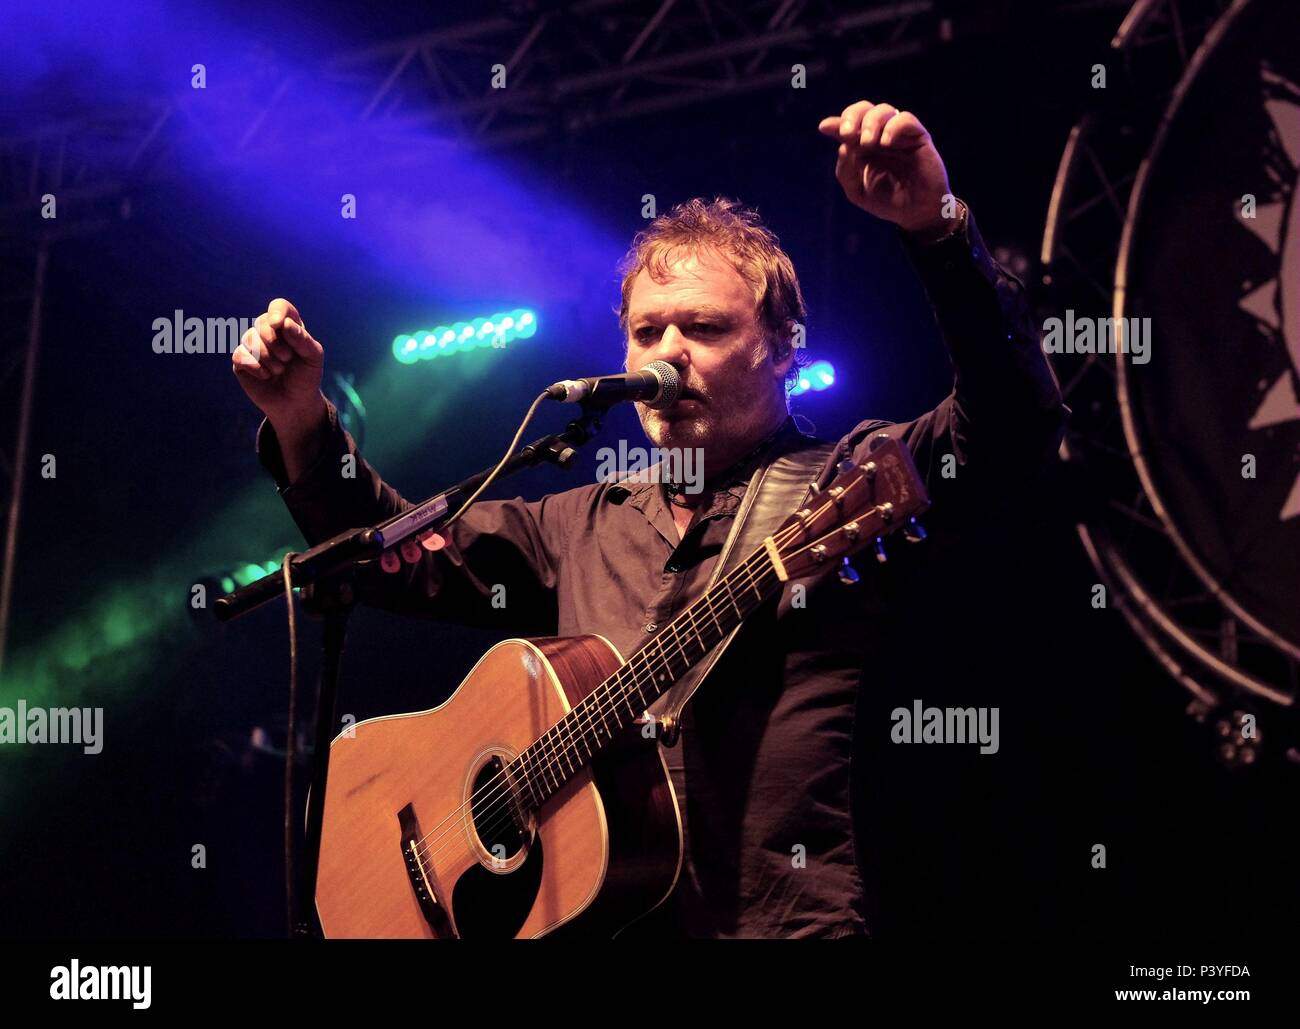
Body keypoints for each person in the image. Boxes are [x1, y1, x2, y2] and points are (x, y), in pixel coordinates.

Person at [233, 100, 1068, 938]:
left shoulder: (846, 480)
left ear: (784, 349)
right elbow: (396, 551)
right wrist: (303, 421)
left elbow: (1011, 423)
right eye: (647, 329)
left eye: (703, 328)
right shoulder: (580, 521)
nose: (667, 351)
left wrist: (937, 230)